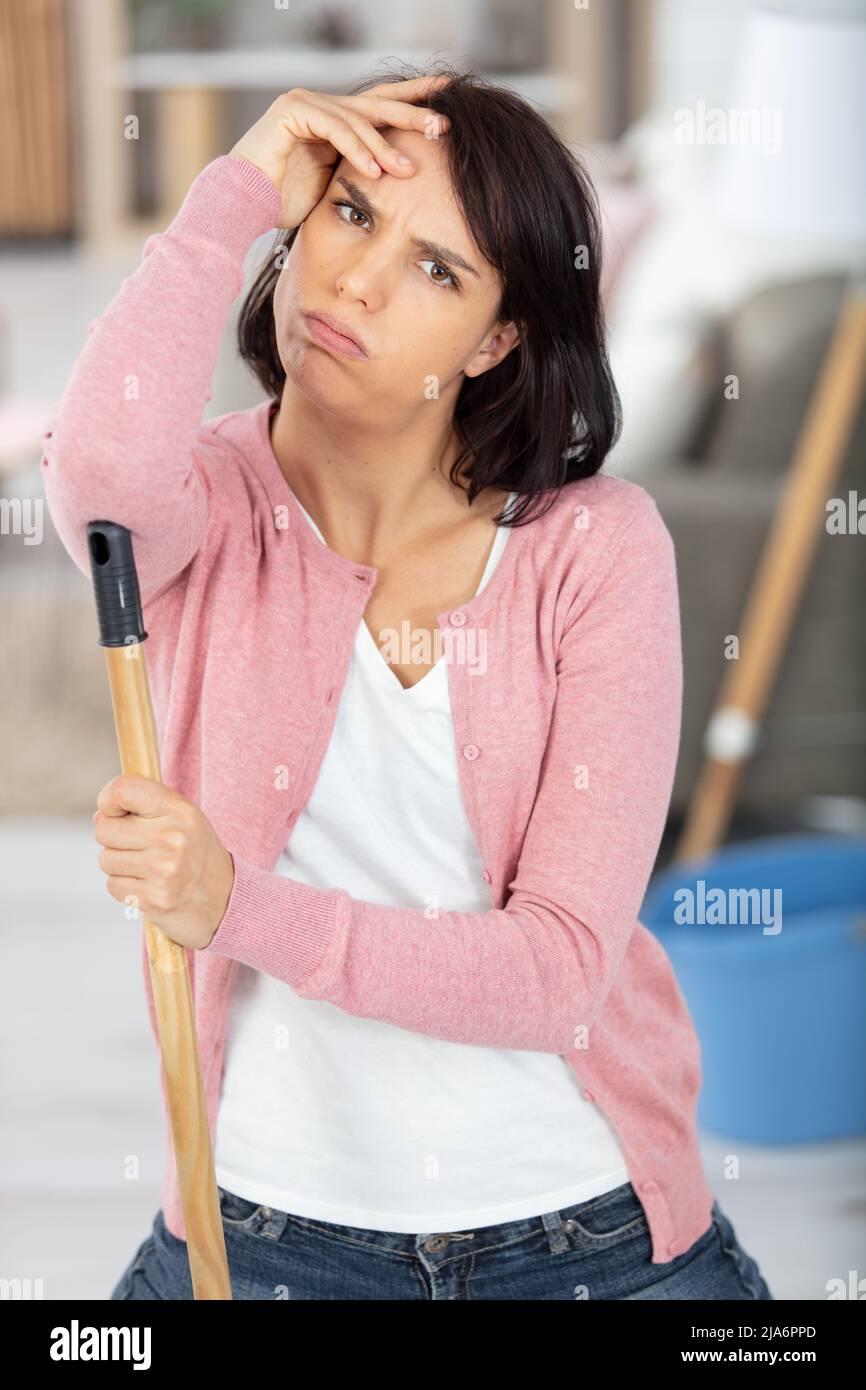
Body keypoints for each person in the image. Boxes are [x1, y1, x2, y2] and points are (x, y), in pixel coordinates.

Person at [43, 64, 773, 1301]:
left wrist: (235, 903)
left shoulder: (592, 551)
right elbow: (101, 478)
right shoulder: (203, 505)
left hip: (582, 1239)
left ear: (496, 340)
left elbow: (555, 970)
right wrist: (233, 191)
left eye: (437, 269)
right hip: (258, 1233)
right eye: (348, 213)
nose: (358, 279)